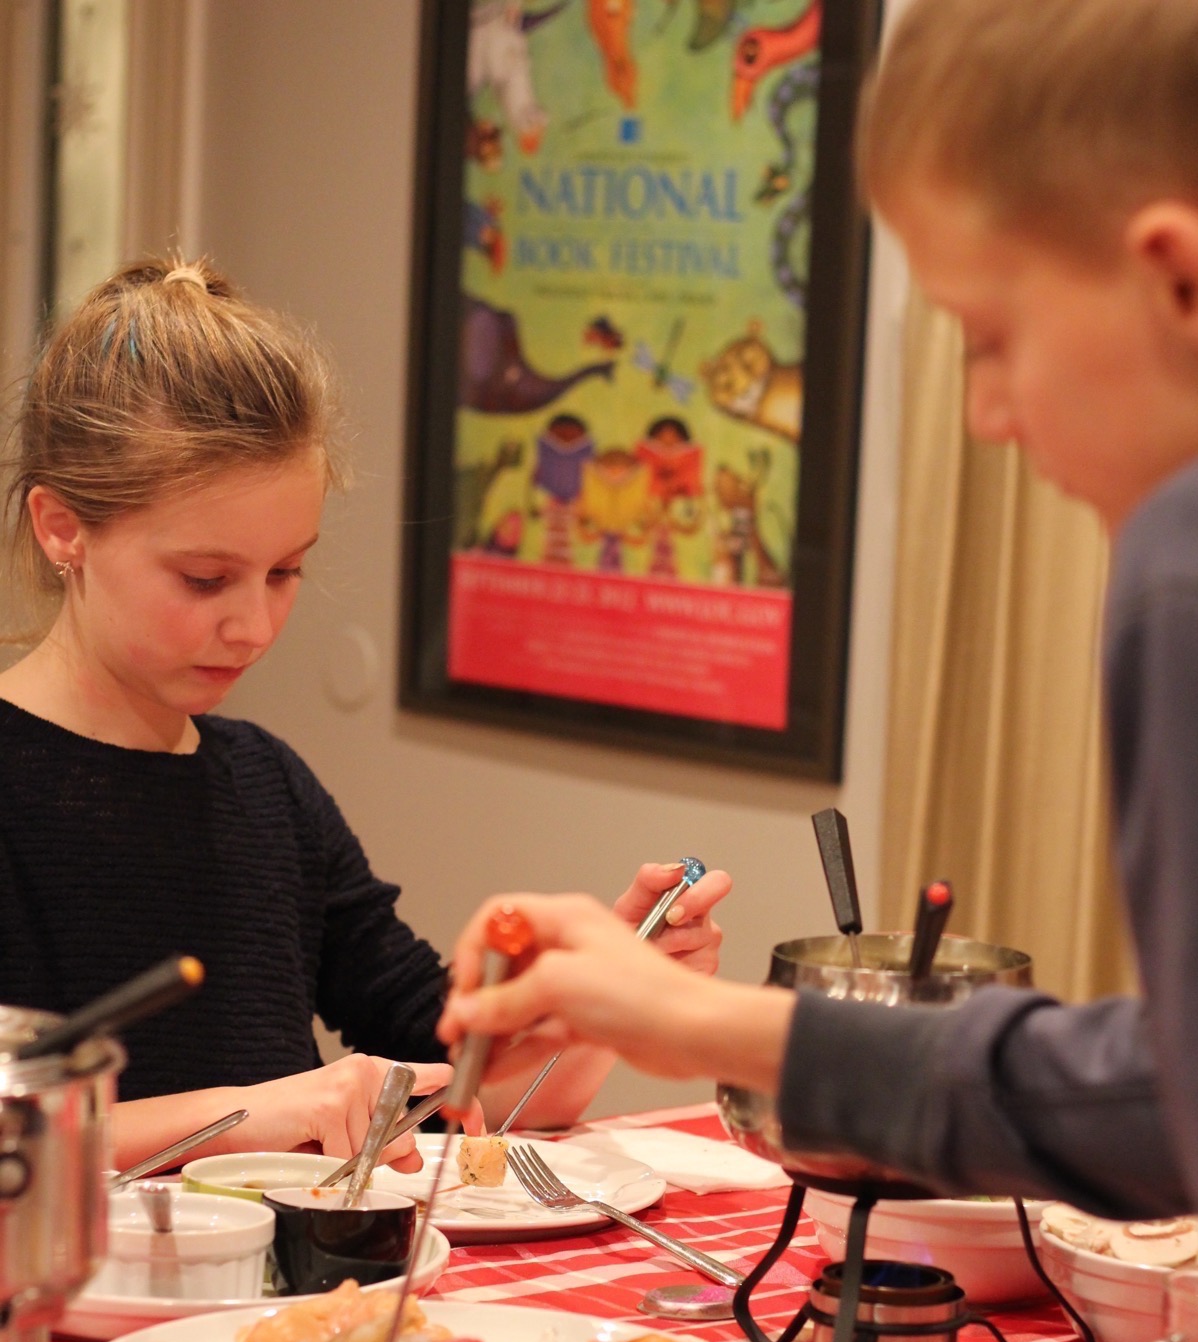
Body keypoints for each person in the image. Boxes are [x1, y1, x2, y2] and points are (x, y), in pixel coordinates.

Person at [442, 0, 1198, 1228]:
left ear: (1173, 277)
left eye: (989, 337)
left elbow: (1172, 1107)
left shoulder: (1178, 560)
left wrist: (706, 1026)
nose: (986, 413)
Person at [0, 257, 730, 1169]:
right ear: (62, 527)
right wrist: (253, 1113)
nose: (255, 624)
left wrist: (602, 1003)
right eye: (204, 578)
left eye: (285, 572)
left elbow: (468, 1095)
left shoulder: (268, 786)